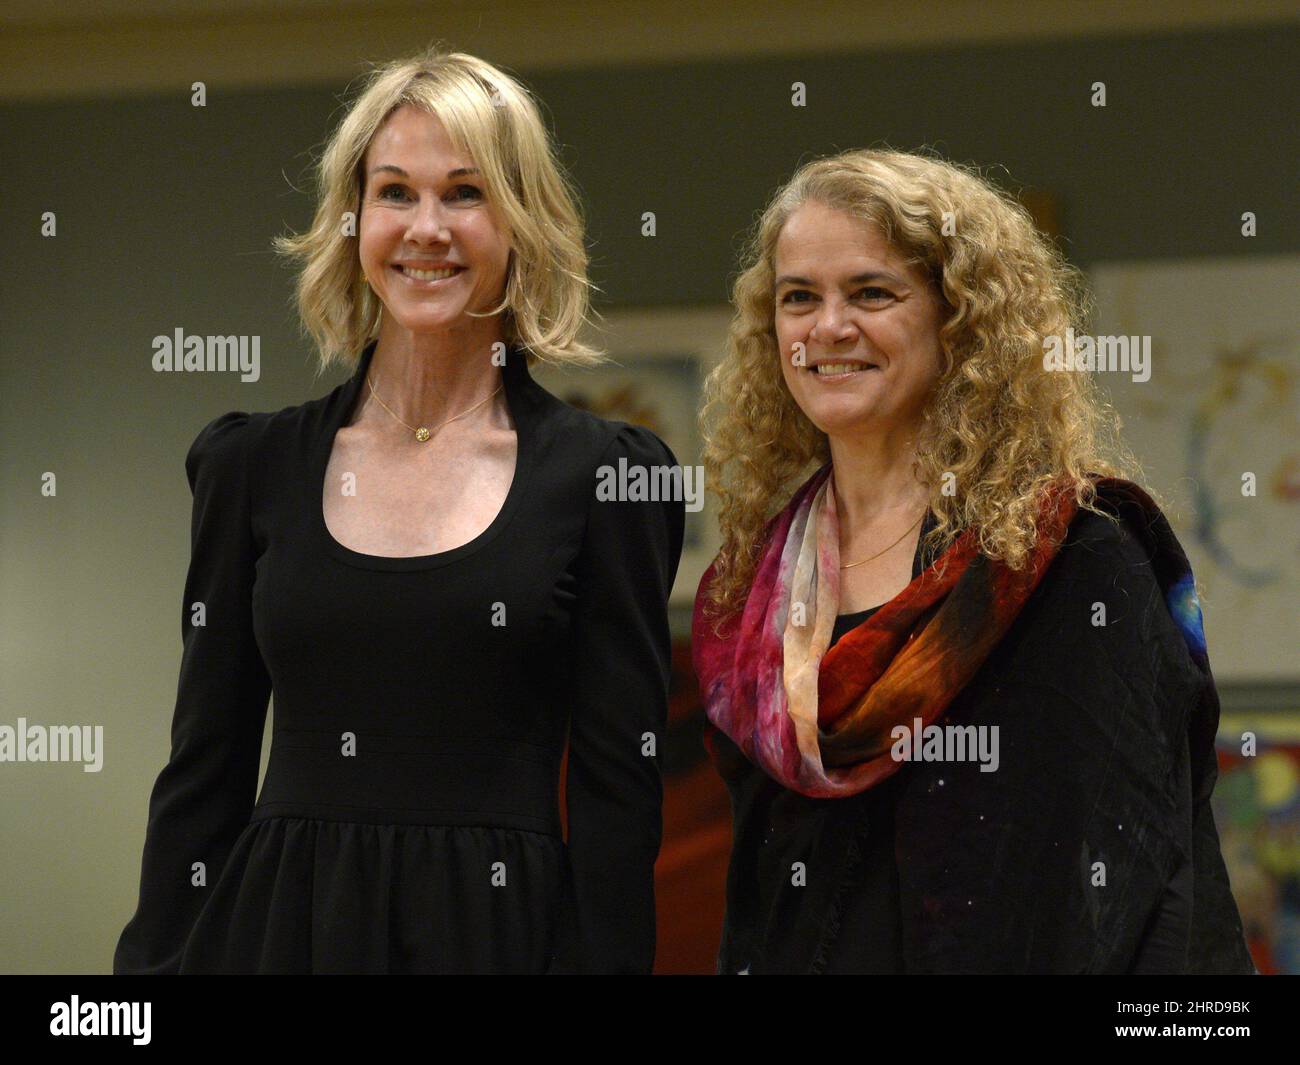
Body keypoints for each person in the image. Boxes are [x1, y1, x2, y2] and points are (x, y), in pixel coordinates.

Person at [114, 48, 684, 975]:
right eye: (394, 193)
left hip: (499, 938)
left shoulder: (605, 480)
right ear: (351, 221)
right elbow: (201, 770)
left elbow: (622, 794)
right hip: (275, 933)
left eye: (466, 192)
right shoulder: (250, 466)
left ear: (522, 222)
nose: (428, 228)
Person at [692, 148, 1256, 974]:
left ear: (960, 319)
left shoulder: (1069, 554)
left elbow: (1139, 877)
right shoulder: (754, 585)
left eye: (872, 292)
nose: (827, 327)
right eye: (798, 298)